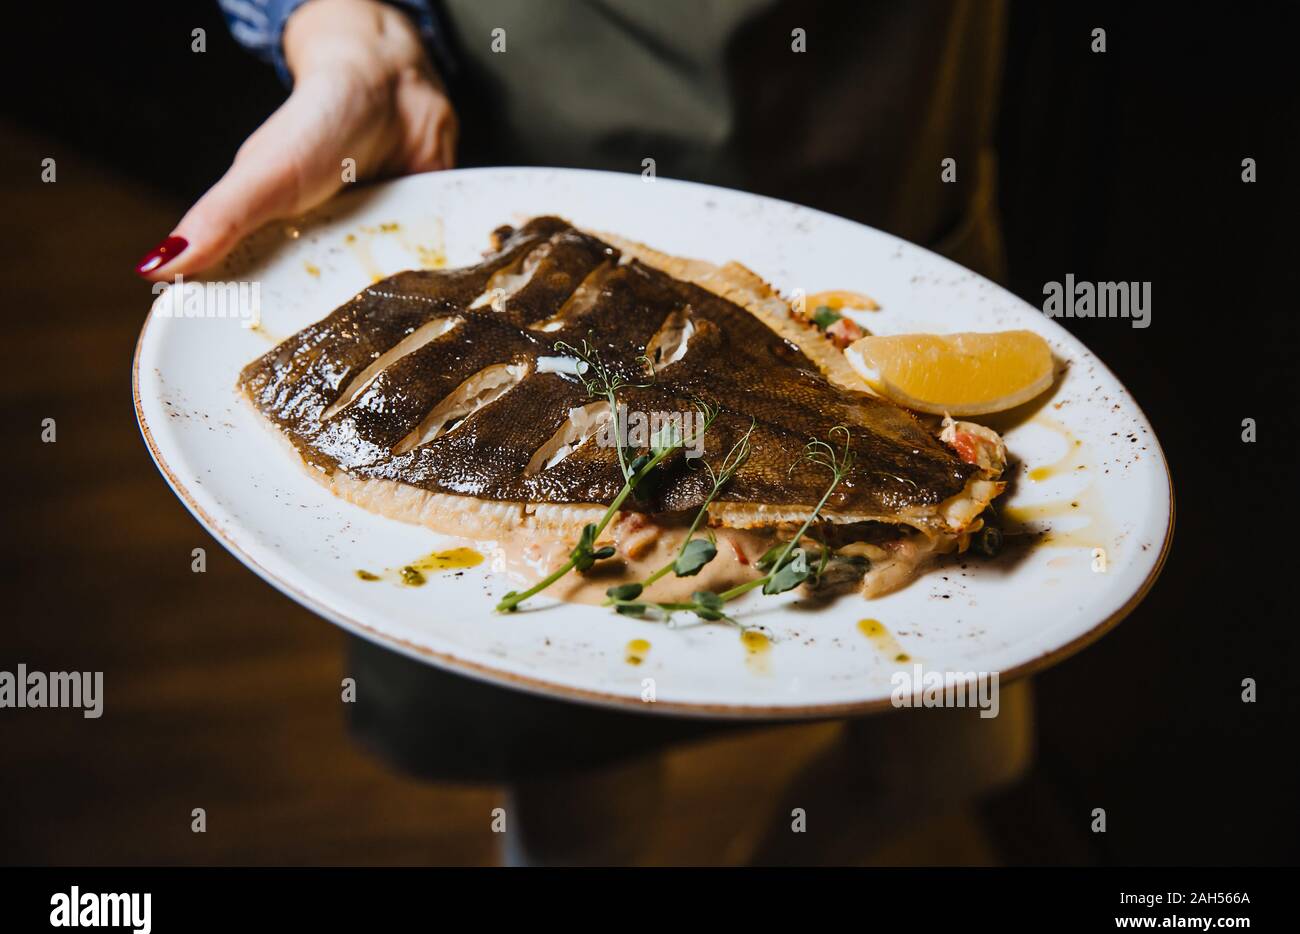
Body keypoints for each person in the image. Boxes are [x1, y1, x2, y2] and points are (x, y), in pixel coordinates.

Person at [139, 0, 1030, 865]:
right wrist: (349, 32)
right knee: (584, 804)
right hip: (548, 158)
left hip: (897, 201)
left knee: (959, 757)